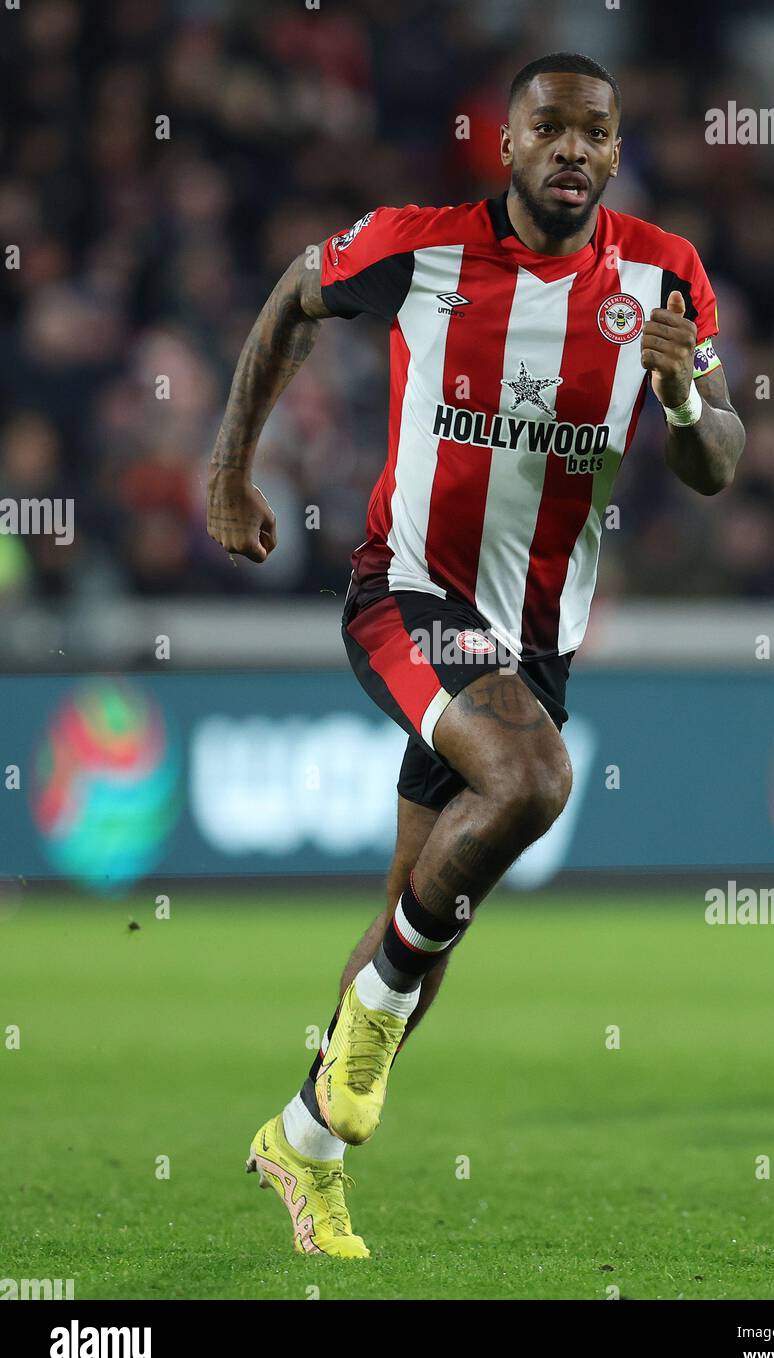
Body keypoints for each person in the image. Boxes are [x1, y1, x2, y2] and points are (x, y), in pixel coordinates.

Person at [207, 52, 745, 1258]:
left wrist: (680, 401)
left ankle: (303, 1139)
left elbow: (721, 461)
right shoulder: (418, 246)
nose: (573, 151)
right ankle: (366, 1040)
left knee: (425, 904)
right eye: (549, 129)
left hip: (534, 640)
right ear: (504, 145)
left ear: (616, 150)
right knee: (536, 781)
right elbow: (295, 296)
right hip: (406, 593)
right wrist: (229, 467)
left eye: (595, 134)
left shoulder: (667, 278)